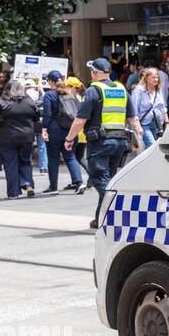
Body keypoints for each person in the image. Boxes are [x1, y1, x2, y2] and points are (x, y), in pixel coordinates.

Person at [63, 58, 142, 229]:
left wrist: (69, 139)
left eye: (92, 72)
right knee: (109, 179)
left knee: (101, 180)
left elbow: (80, 120)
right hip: (120, 142)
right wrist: (138, 133)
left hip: (100, 142)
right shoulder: (121, 89)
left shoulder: (93, 90)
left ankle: (120, 209)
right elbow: (132, 117)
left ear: (96, 73)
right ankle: (101, 219)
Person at [0, 79, 41, 199]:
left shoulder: (1, 103)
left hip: (7, 138)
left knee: (10, 164)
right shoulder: (29, 102)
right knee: (26, 161)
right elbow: (37, 117)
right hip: (27, 137)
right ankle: (28, 184)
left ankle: (13, 192)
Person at [40, 71, 86, 194]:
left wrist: (44, 129)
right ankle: (79, 182)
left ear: (50, 81)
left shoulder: (49, 95)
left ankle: (53, 187)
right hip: (71, 130)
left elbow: (47, 114)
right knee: (70, 156)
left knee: (53, 158)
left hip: (54, 130)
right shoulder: (71, 94)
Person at [130, 66, 168, 147]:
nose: (156, 80)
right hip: (144, 124)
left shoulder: (158, 91)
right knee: (152, 145)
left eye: (157, 77)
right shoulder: (139, 90)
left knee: (158, 147)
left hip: (158, 125)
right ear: (146, 78)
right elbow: (134, 110)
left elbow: (163, 108)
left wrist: (167, 123)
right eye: (153, 77)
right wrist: (138, 126)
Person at [23, 79, 49, 178]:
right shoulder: (41, 94)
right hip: (40, 123)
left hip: (28, 124)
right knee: (42, 146)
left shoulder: (24, 96)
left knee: (28, 146)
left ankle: (28, 166)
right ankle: (43, 167)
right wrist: (40, 89)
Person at [65, 77, 88, 168]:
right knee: (79, 157)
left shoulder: (71, 99)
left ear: (73, 87)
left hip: (76, 133)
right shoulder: (81, 98)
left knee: (73, 157)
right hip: (82, 133)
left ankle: (78, 180)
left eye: (67, 86)